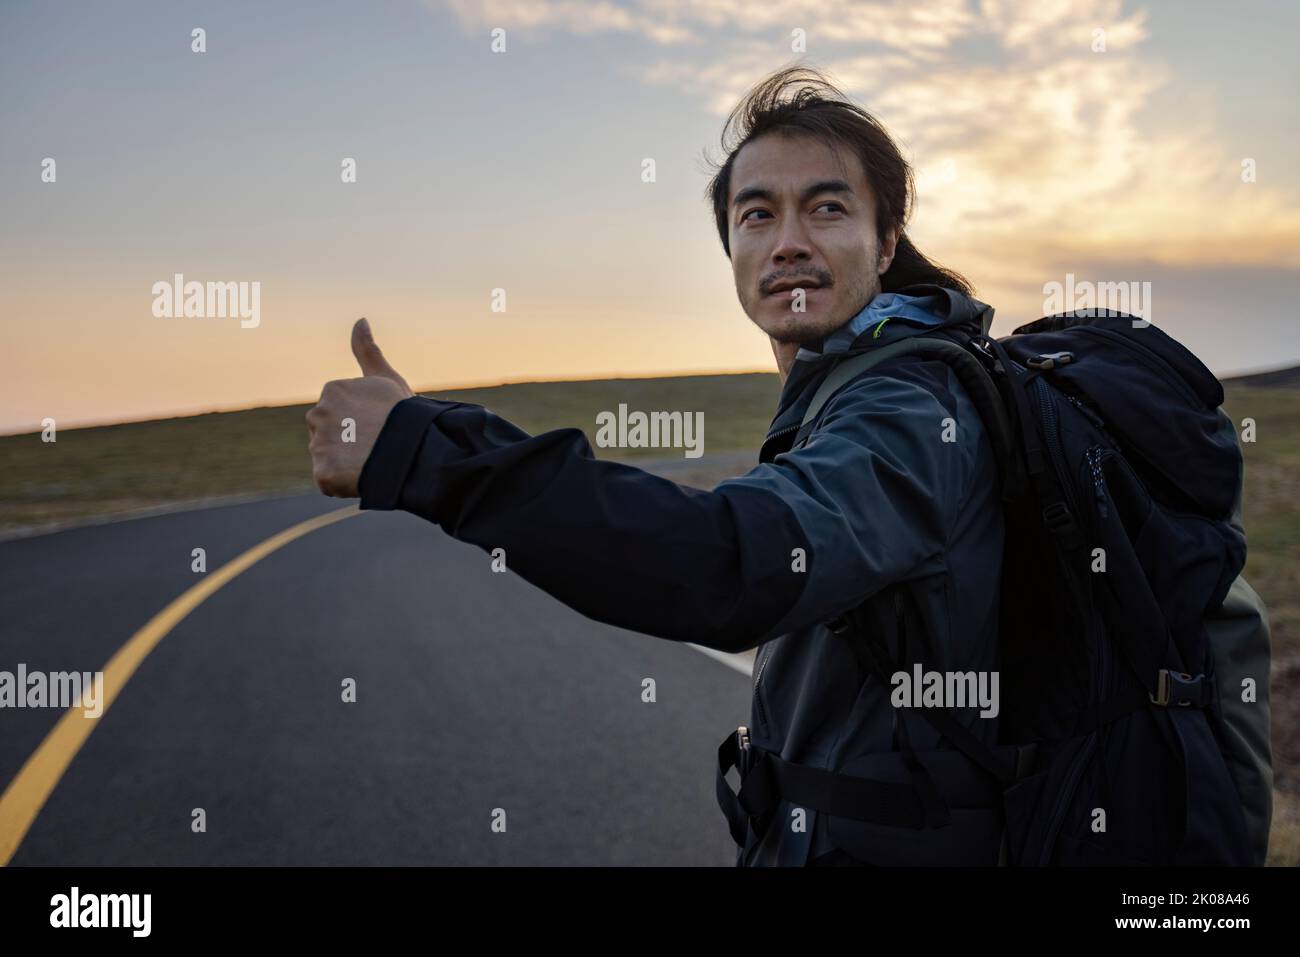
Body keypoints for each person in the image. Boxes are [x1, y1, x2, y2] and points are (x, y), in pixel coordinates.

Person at [305, 66, 1004, 866]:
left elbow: (730, 561)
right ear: (732, 250)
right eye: (757, 215)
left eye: (827, 207)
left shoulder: (911, 405)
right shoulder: (848, 389)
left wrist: (420, 449)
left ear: (885, 243)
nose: (787, 242)